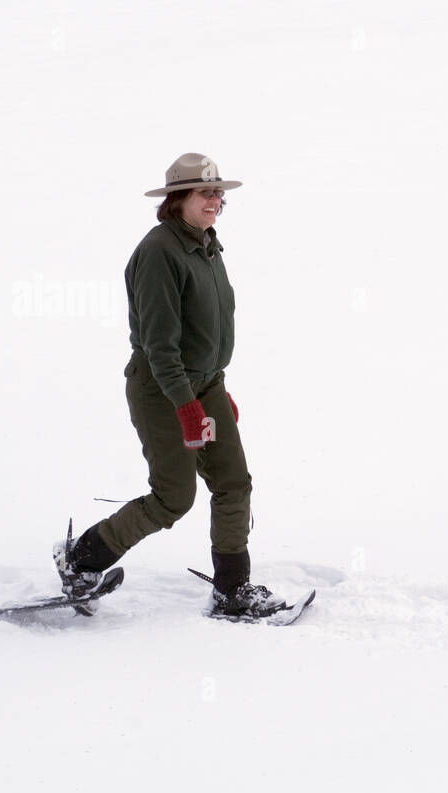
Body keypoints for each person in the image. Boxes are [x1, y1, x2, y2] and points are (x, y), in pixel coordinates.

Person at [52, 153, 286, 619]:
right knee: (172, 498)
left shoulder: (207, 245)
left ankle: (232, 590)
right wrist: (186, 406)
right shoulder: (159, 253)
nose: (215, 200)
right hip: (161, 389)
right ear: (178, 199)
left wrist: (216, 387)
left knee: (233, 482)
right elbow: (161, 347)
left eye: (218, 193)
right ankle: (81, 560)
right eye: (205, 192)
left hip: (204, 385)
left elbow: (208, 331)